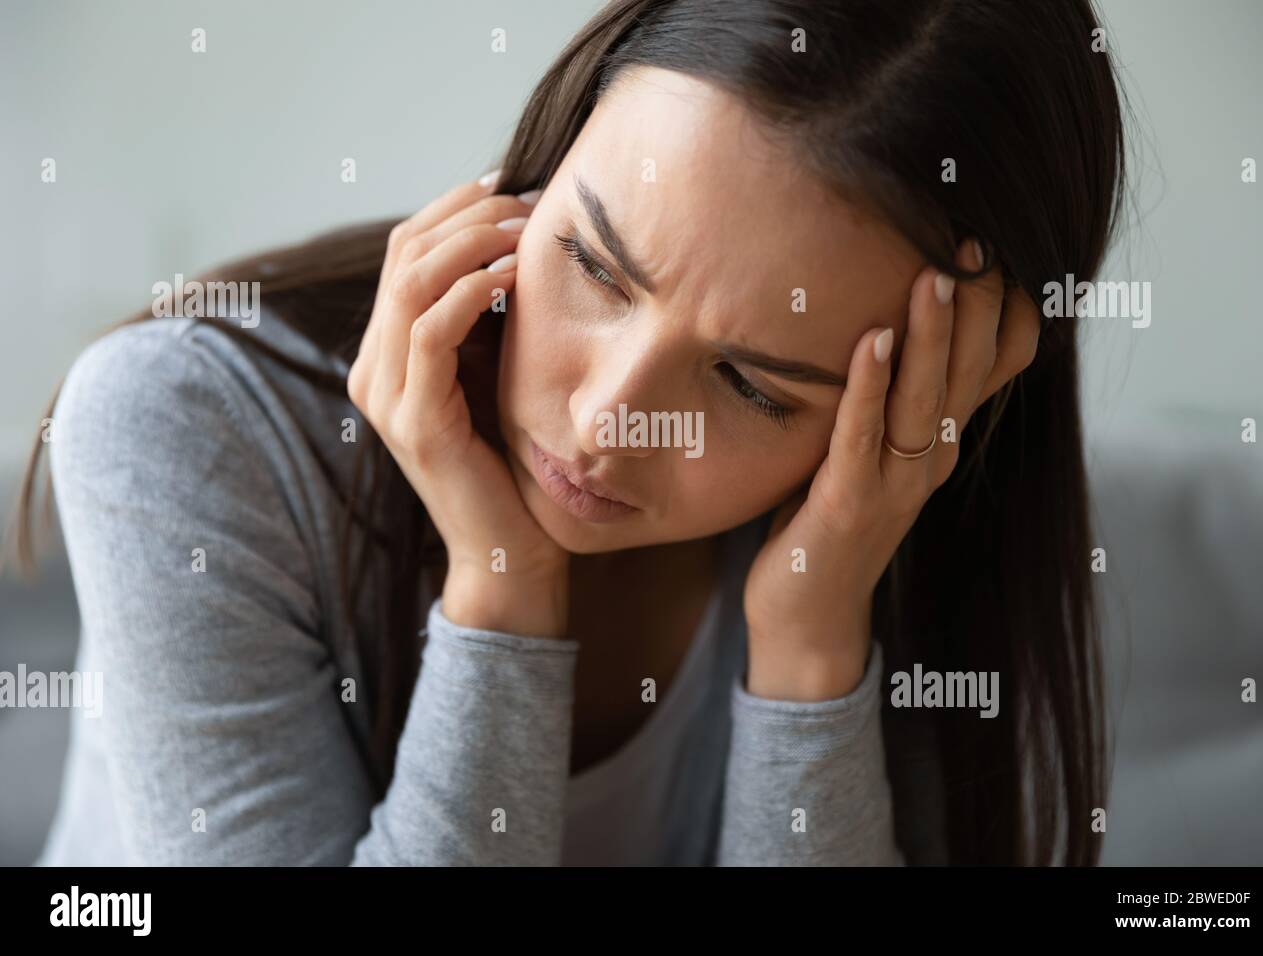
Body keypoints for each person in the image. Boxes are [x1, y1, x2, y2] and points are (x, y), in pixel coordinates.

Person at [11, 0, 1123, 865]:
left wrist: (811, 640)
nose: (603, 421)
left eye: (752, 384)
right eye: (591, 262)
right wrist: (503, 593)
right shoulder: (183, 425)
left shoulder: (893, 530)